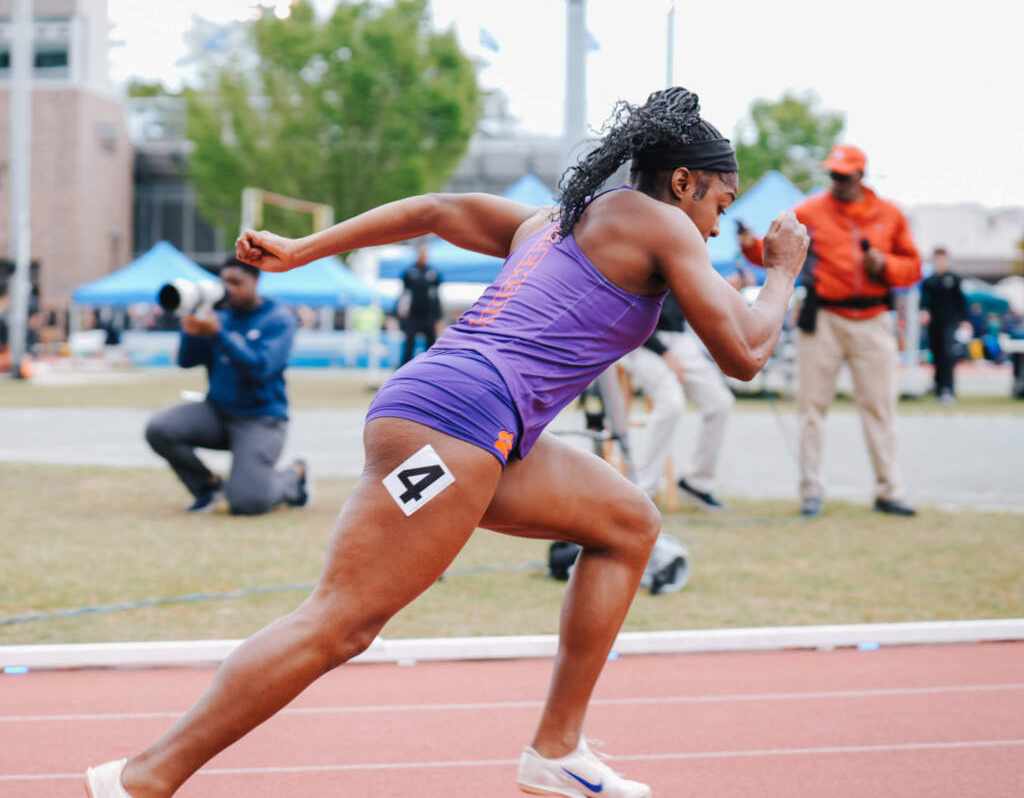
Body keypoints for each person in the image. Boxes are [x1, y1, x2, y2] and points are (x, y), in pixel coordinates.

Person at [86, 87, 808, 798]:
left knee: (627, 524)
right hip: (457, 421)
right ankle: (143, 777)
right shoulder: (662, 221)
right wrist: (780, 272)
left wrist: (307, 249)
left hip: (468, 420)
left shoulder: (556, 221)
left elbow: (435, 210)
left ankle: (557, 750)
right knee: (340, 621)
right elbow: (745, 352)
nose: (716, 226)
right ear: (684, 182)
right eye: (719, 202)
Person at [739, 144, 921, 518]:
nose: (837, 182)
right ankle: (811, 491)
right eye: (832, 175)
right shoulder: (811, 210)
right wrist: (750, 246)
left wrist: (885, 265)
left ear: (860, 175)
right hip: (823, 317)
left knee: (881, 407)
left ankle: (889, 490)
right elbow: (776, 250)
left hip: (872, 317)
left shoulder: (889, 214)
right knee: (810, 407)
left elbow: (913, 267)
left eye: (844, 175)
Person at [144, 258, 310, 515]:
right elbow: (187, 361)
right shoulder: (219, 314)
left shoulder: (278, 319)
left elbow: (261, 368)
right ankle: (208, 486)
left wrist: (217, 334)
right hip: (218, 412)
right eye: (224, 282)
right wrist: (191, 326)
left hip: (261, 419)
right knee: (160, 428)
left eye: (236, 282)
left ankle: (293, 477)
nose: (228, 288)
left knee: (247, 503)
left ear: (255, 281)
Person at [621, 292, 734, 508]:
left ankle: (696, 482)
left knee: (720, 402)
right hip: (642, 340)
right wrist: (665, 354)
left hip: (679, 338)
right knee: (671, 404)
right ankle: (643, 489)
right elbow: (630, 315)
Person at [920, 247, 967, 403]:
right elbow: (923, 302)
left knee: (948, 353)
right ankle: (939, 387)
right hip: (934, 324)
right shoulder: (929, 282)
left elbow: (962, 302)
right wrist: (923, 311)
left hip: (950, 322)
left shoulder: (954, 279)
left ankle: (948, 388)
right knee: (937, 354)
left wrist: (965, 321)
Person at [398, 240, 443, 364]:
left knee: (431, 346)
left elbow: (436, 296)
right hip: (413, 316)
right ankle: (403, 370)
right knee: (409, 345)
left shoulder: (433, 273)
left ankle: (429, 369)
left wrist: (438, 317)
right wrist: (398, 315)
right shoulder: (409, 273)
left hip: (428, 316)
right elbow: (403, 295)